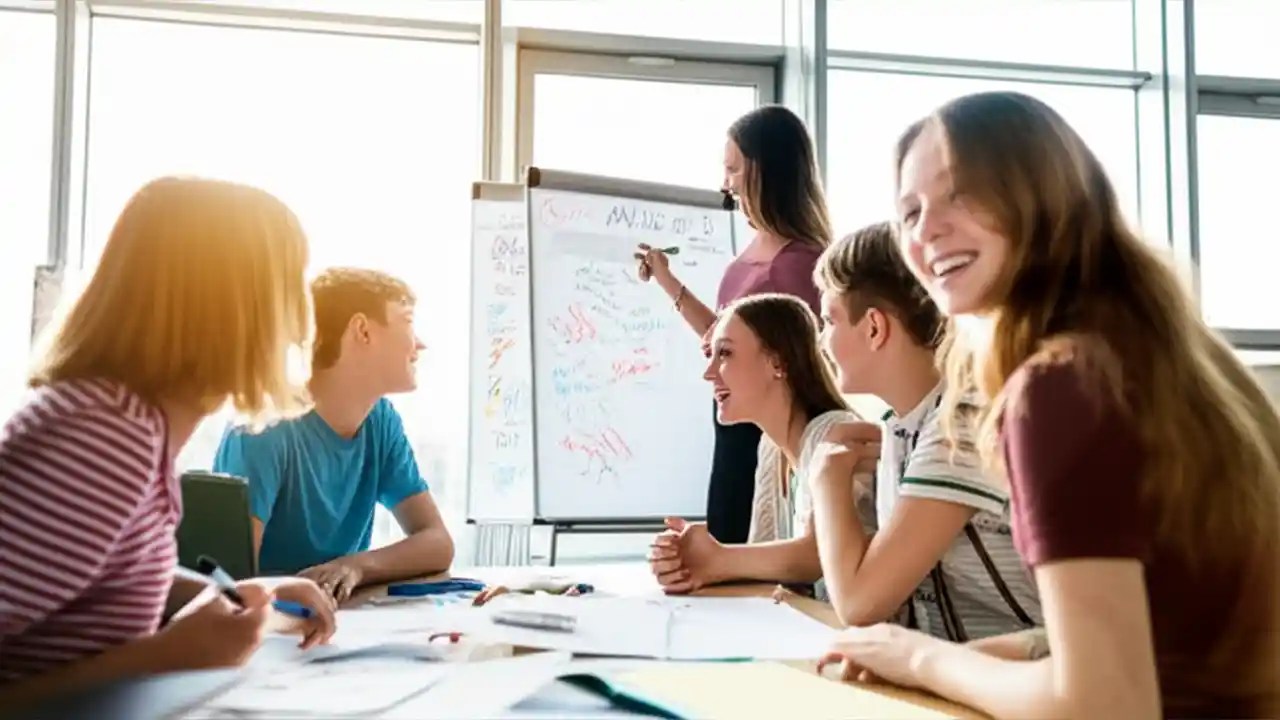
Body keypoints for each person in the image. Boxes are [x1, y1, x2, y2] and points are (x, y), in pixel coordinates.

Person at [819, 91, 1280, 718]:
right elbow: (1156, 630)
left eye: (960, 193)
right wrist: (931, 657)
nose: (927, 229)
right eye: (910, 212)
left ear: (1040, 192)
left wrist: (924, 659)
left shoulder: (1057, 388)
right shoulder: (1169, 357)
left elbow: (1104, 703)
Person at [0, 177, 334, 709]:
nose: (300, 317)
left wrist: (252, 592)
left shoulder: (132, 427)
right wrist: (169, 652)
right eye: (289, 283)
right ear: (230, 307)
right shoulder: (102, 440)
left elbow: (93, 580)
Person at [810, 221, 1041, 637]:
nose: (822, 341)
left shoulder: (963, 422)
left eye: (829, 320)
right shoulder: (904, 429)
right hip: (972, 681)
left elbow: (860, 604)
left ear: (874, 328)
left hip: (1025, 683)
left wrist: (826, 476)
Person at [635, 104, 833, 544]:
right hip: (731, 430)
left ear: (766, 170)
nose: (725, 183)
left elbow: (796, 368)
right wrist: (668, 281)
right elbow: (720, 340)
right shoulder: (754, 253)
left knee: (746, 560)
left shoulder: (801, 264)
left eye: (732, 169)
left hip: (762, 441)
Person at [214, 267, 454, 603]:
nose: (420, 344)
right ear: (362, 331)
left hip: (336, 621)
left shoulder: (380, 421)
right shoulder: (263, 427)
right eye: (408, 321)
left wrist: (356, 566)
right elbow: (227, 585)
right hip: (269, 635)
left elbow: (438, 543)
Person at [646, 293, 875, 594]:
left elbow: (818, 554)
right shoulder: (771, 447)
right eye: (711, 356)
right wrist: (686, 563)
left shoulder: (834, 433)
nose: (708, 373)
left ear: (777, 362)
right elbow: (764, 568)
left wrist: (717, 560)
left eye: (725, 354)